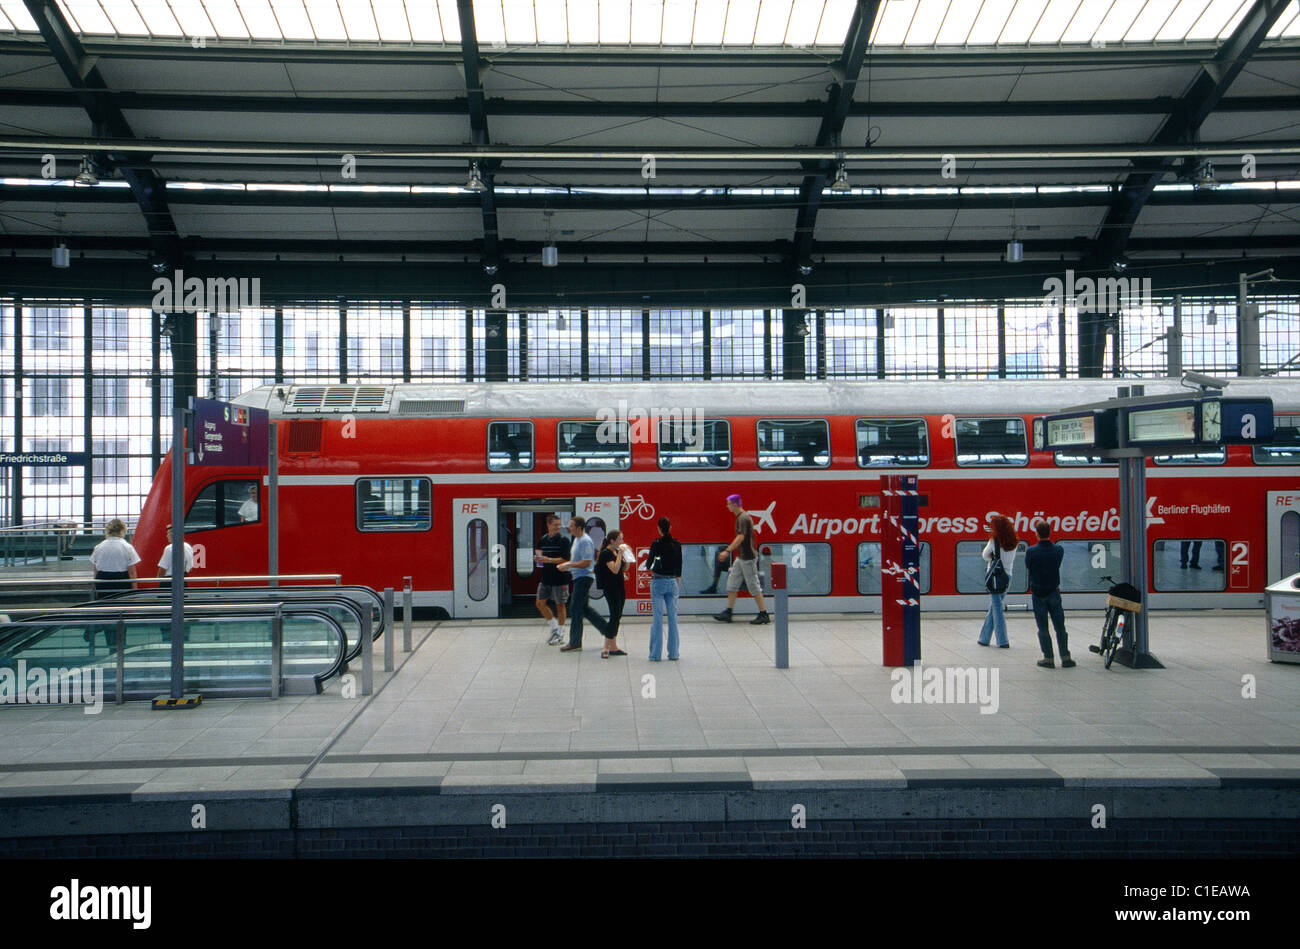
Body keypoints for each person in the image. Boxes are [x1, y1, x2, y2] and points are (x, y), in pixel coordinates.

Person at [714, 494, 770, 624]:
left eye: (728, 504)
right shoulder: (741, 517)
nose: (727, 506)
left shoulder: (743, 518)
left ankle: (764, 614)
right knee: (732, 583)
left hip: (748, 558)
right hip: (742, 557)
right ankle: (728, 612)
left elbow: (741, 537)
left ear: (734, 504)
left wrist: (727, 551)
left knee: (753, 585)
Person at [1025, 521, 1073, 669]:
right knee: (1060, 626)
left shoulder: (1031, 551)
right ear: (1050, 532)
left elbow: (1028, 566)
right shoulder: (1058, 550)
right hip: (1054, 591)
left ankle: (1048, 658)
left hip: (1038, 593)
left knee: (1043, 628)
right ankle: (1065, 658)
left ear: (1037, 533)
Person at [88, 518, 140, 651]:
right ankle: (121, 645)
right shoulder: (127, 547)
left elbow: (95, 570)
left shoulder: (99, 546)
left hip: (103, 581)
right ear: (122, 531)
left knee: (108, 613)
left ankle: (110, 644)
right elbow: (132, 571)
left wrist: (96, 588)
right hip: (122, 581)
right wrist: (134, 591)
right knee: (121, 614)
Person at [557, 516, 604, 652]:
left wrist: (568, 565)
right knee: (584, 609)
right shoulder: (577, 540)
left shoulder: (585, 541)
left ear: (578, 527)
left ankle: (575, 642)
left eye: (571, 526)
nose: (569, 528)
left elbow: (587, 562)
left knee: (575, 609)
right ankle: (607, 629)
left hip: (584, 578)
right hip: (578, 577)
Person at [977, 515, 1017, 648]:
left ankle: (1002, 640)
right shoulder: (1014, 541)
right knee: (994, 606)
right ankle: (984, 638)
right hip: (1008, 577)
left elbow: (984, 555)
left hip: (995, 577)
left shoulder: (995, 541)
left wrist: (992, 558)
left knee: (997, 608)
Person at [647, 517, 682, 661]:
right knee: (673, 618)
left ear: (658, 528)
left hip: (658, 581)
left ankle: (655, 654)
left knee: (657, 618)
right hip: (673, 581)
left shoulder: (656, 544)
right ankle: (673, 653)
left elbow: (649, 564)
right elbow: (679, 566)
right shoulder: (677, 544)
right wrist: (677, 583)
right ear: (670, 527)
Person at [594, 529, 631, 658]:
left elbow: (624, 568)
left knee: (618, 616)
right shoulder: (606, 554)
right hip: (611, 588)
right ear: (612, 540)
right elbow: (615, 569)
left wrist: (626, 557)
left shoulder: (616, 552)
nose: (622, 541)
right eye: (620, 539)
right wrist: (620, 554)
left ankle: (613, 647)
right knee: (614, 616)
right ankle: (606, 647)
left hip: (620, 587)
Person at [534, 514, 571, 645]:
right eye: (555, 525)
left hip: (561, 578)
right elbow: (539, 558)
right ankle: (554, 628)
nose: (558, 527)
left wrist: (548, 560)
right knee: (540, 603)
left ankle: (560, 634)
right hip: (546, 578)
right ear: (548, 525)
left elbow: (566, 559)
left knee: (560, 605)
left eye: (559, 525)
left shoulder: (564, 541)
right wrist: (538, 560)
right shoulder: (542, 540)